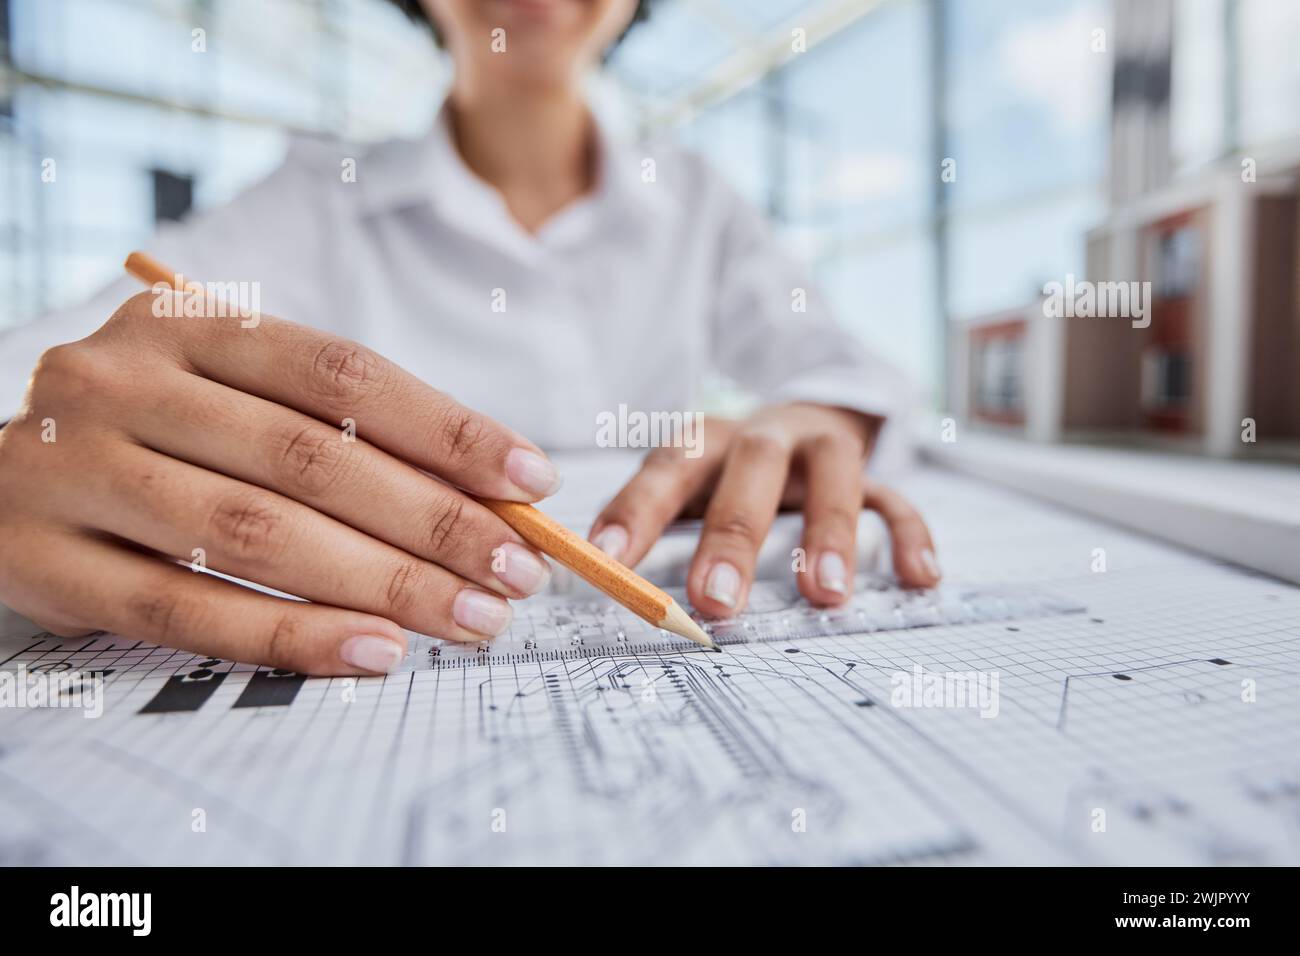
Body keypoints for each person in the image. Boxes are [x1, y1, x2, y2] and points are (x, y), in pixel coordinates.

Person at [0, 0, 939, 676]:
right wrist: (28, 469)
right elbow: (57, 373)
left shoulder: (699, 198)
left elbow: (849, 369)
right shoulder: (308, 202)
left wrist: (814, 421)